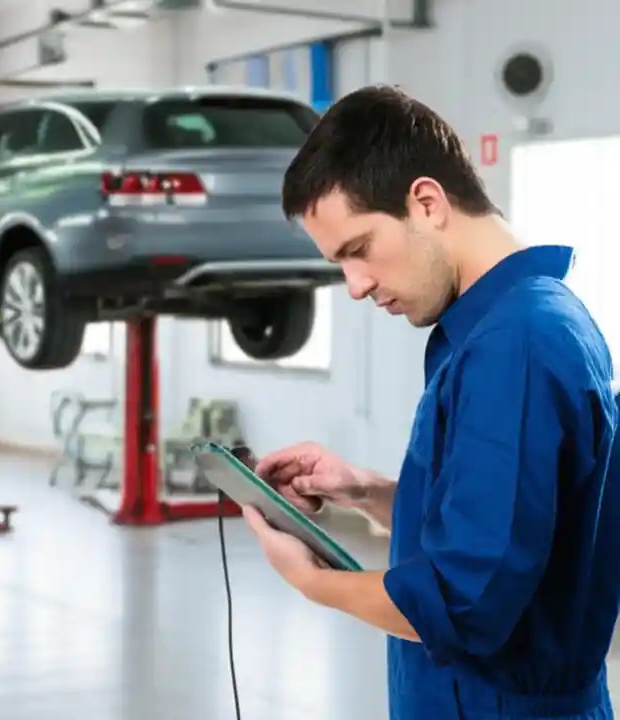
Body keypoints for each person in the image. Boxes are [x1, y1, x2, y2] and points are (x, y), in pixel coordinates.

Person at [241, 84, 620, 719]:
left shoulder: (516, 344)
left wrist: (312, 580)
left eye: (357, 251)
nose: (356, 286)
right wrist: (363, 489)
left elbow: (462, 603)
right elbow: (502, 534)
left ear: (426, 202)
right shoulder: (506, 325)